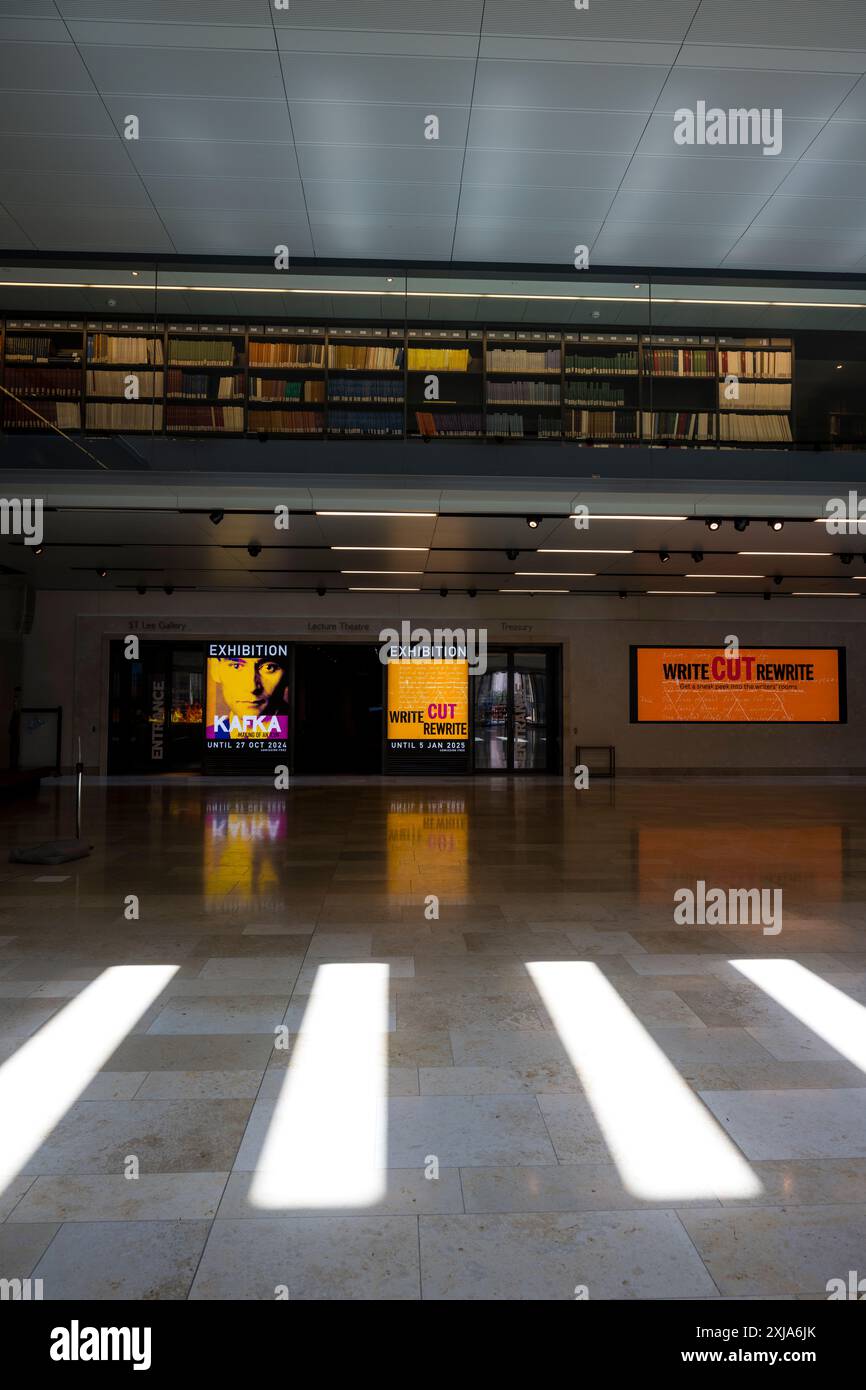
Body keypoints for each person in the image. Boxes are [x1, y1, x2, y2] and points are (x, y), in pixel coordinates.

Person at [208, 654, 289, 740]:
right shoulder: (210, 736)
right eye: (236, 666)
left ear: (289, 673)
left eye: (269, 667)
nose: (252, 687)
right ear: (215, 668)